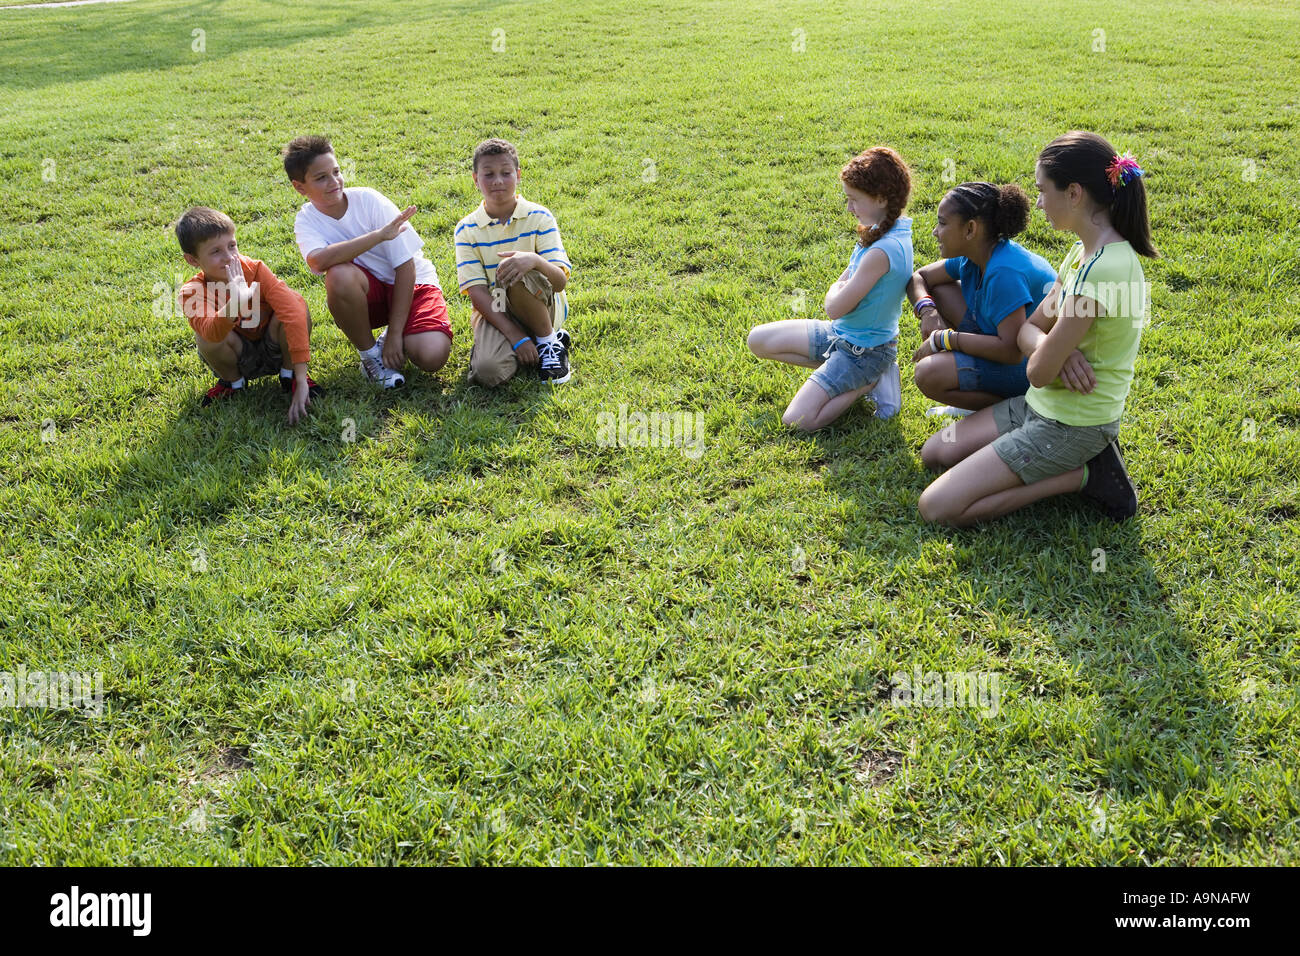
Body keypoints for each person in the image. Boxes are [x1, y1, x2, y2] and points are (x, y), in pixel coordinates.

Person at [917, 131, 1159, 525]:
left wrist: (1050, 353)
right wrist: (1056, 348)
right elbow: (1029, 331)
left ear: (1074, 193)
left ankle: (1084, 475)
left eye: (1043, 191)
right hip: (1039, 407)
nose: (1040, 202)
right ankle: (1075, 466)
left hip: (1073, 425)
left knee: (936, 507)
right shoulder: (1081, 252)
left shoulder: (1104, 269)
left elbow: (1037, 371)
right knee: (935, 453)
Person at [747, 146, 913, 430]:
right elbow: (845, 285)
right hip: (840, 336)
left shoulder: (883, 250)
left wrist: (834, 289)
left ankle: (869, 382)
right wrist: (840, 287)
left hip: (865, 353)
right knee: (757, 340)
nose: (848, 208)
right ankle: (841, 377)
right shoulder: (885, 228)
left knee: (796, 421)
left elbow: (835, 307)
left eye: (854, 200)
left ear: (881, 199)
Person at [284, 135, 452, 389]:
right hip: (368, 292)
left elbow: (406, 268)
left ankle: (394, 335)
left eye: (336, 171)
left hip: (413, 285)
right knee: (338, 274)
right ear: (300, 187)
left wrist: (396, 335)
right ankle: (371, 357)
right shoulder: (306, 220)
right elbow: (318, 262)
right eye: (321, 177)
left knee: (431, 357)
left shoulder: (369, 200)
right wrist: (377, 236)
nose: (334, 182)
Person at [905, 182, 1057, 417]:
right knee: (940, 290)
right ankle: (983, 394)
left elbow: (1011, 351)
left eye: (943, 223)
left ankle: (1018, 409)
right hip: (1005, 342)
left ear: (970, 229)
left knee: (928, 374)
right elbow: (920, 277)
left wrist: (945, 339)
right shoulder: (977, 252)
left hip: (1032, 368)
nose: (935, 231)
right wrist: (928, 311)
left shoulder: (1004, 272)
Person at [175, 206, 320, 424]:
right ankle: (233, 383)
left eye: (232, 246)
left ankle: (289, 375)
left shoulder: (256, 269)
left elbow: (294, 311)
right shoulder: (191, 291)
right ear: (192, 260)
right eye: (215, 251)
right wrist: (237, 301)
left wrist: (300, 377)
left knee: (295, 302)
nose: (229, 257)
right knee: (202, 335)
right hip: (238, 356)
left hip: (276, 348)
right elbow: (211, 333)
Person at [454, 138, 573, 386]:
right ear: (476, 179)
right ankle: (527, 344)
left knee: (516, 266)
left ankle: (549, 342)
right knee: (487, 372)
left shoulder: (539, 216)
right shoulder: (466, 229)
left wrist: (533, 260)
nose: (498, 180)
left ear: (518, 175)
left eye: (506, 173)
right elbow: (476, 292)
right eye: (489, 174)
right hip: (496, 309)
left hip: (542, 303)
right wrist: (516, 337)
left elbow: (560, 282)